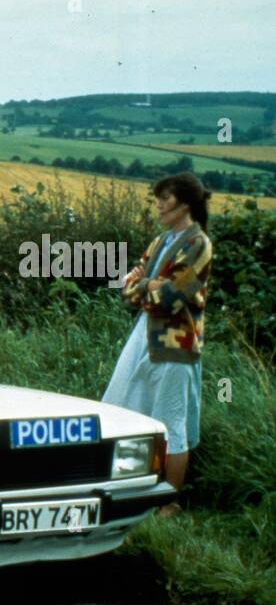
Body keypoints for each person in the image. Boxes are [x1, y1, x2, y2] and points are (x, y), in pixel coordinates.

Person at [102, 173, 212, 516]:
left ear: (185, 203)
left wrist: (146, 286)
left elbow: (171, 297)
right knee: (119, 403)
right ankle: (128, 485)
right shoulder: (161, 240)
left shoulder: (198, 244)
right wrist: (148, 286)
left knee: (169, 419)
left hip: (176, 342)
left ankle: (170, 502)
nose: (160, 205)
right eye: (158, 198)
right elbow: (127, 288)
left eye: (166, 198)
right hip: (144, 333)